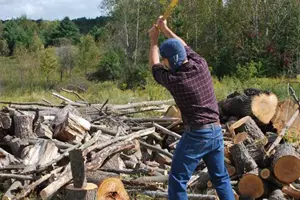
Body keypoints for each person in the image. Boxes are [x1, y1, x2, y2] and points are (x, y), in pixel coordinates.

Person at [148, 16, 235, 200]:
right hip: (216, 131)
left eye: (166, 60)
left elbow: (155, 67)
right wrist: (165, 29)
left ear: (171, 61)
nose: (164, 63)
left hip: (197, 135)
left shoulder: (176, 81)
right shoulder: (200, 64)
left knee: (178, 179)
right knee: (220, 178)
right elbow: (183, 46)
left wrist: (154, 39)